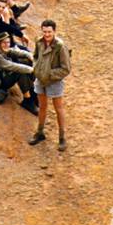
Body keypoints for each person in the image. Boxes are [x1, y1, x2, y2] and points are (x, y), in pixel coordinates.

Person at [30, 20, 71, 151]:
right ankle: (40, 132)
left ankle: (62, 137)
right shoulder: (39, 41)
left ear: (54, 31)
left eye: (49, 32)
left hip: (54, 82)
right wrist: (37, 69)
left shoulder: (60, 46)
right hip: (40, 80)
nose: (47, 34)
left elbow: (66, 69)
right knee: (42, 106)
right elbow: (35, 56)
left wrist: (49, 74)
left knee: (58, 108)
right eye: (45, 31)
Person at [0, 32, 36, 110]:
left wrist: (30, 56)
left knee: (26, 62)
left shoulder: (3, 49)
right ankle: (28, 101)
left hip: (1, 76)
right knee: (20, 72)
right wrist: (32, 70)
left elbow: (19, 52)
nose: (7, 44)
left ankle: (32, 93)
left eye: (8, 42)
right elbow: (12, 66)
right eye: (4, 43)